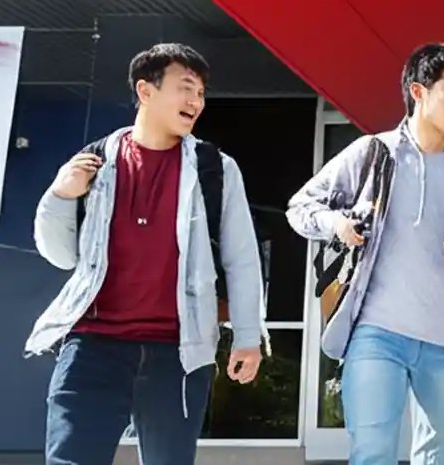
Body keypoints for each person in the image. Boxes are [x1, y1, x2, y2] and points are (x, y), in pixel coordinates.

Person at [24, 43, 267, 465]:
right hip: (93, 344)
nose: (196, 102)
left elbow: (242, 257)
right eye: (186, 88)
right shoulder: (95, 162)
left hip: (178, 350)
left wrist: (247, 336)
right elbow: (61, 255)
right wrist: (62, 194)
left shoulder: (215, 168)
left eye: (201, 93)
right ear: (146, 91)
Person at [287, 42, 444, 465]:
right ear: (419, 91)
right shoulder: (373, 153)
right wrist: (336, 224)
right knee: (372, 452)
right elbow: (300, 207)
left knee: (438, 455)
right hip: (377, 333)